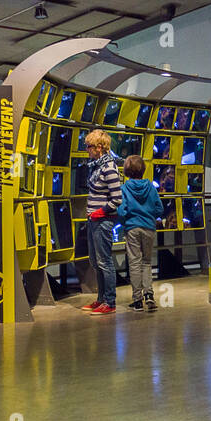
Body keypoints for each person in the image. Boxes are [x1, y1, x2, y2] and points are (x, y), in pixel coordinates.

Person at [116, 155, 164, 313]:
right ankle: (149, 294)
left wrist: (125, 222)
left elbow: (121, 210)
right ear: (143, 169)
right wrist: (149, 216)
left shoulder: (124, 188)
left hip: (132, 228)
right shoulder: (151, 187)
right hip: (149, 228)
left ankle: (137, 300)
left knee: (135, 263)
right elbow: (159, 209)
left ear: (126, 171)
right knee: (147, 262)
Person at [82, 130, 123, 315]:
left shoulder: (109, 168)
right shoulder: (97, 167)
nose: (87, 150)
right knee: (96, 261)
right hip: (94, 220)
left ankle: (110, 302)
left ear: (99, 147)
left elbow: (117, 198)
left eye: (89, 146)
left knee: (104, 262)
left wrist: (99, 212)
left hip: (103, 221)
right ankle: (101, 299)